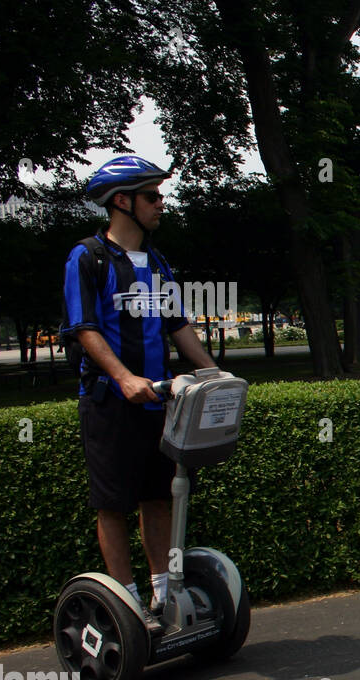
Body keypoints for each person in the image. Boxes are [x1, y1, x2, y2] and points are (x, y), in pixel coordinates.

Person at [61, 155, 217, 625]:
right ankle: (125, 602)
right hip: (110, 402)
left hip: (159, 401)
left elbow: (178, 325)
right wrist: (123, 377)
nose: (160, 204)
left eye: (160, 195)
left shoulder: (157, 263)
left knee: (159, 495)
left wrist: (213, 372)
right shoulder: (87, 257)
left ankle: (161, 593)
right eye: (152, 196)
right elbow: (83, 328)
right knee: (112, 503)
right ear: (122, 202)